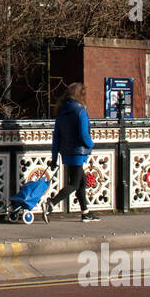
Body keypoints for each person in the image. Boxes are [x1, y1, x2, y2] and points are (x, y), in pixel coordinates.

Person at [49, 82, 98, 221]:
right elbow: (84, 135)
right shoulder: (80, 111)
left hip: (66, 152)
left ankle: (85, 212)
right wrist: (91, 144)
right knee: (74, 184)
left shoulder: (62, 111)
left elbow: (56, 136)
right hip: (78, 152)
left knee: (81, 183)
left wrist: (54, 157)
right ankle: (51, 203)